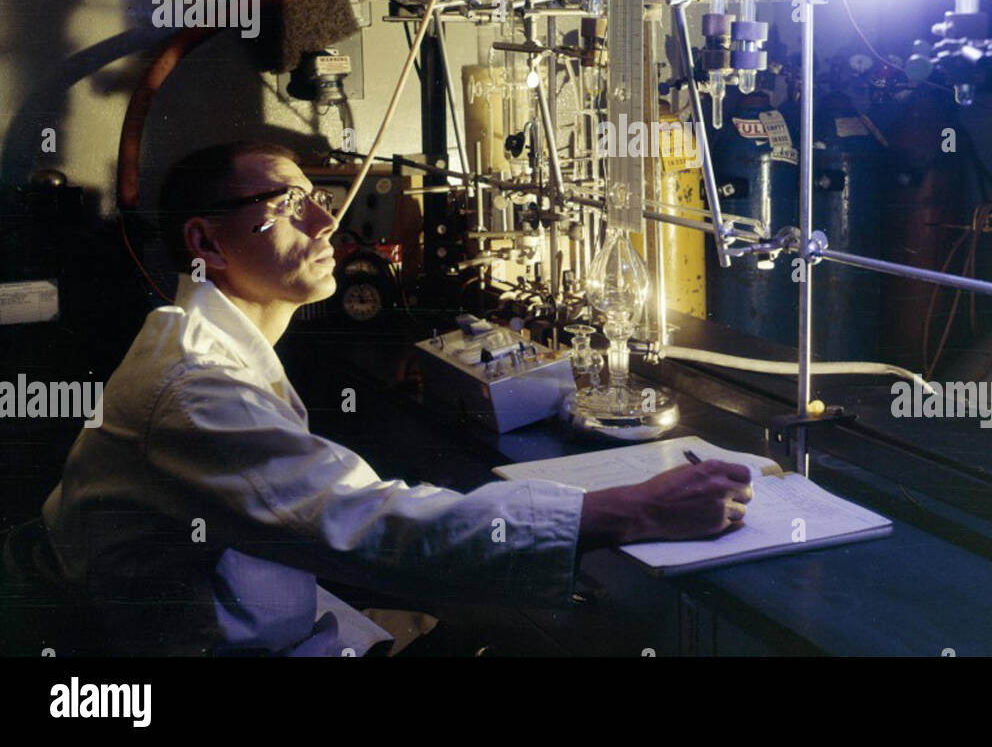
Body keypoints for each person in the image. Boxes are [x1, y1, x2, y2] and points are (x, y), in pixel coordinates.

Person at [41, 141, 752, 656]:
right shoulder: (195, 387)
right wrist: (631, 509)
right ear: (208, 241)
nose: (325, 223)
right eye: (289, 205)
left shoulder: (204, 346)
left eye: (318, 200)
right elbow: (369, 523)